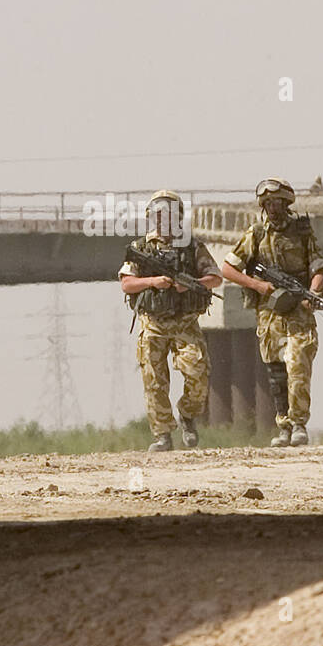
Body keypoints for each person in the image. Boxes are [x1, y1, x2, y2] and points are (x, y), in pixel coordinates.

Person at [220, 177, 323, 447]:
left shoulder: (302, 232)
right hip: (269, 313)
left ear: (286, 203)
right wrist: (258, 285)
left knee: (298, 363)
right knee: (276, 369)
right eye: (267, 202)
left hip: (299, 311)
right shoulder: (256, 233)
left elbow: (319, 267)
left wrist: (313, 292)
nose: (272, 207)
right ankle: (284, 425)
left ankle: (299, 423)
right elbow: (228, 268)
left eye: (277, 202)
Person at [118, 191, 222, 451]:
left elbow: (215, 278)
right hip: (152, 324)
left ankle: (187, 414)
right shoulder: (141, 249)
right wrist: (153, 281)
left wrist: (191, 285)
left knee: (198, 372)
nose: (163, 221)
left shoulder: (192, 246)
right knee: (153, 381)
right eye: (159, 216)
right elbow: (127, 283)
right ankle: (163, 435)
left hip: (185, 323)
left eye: (169, 216)